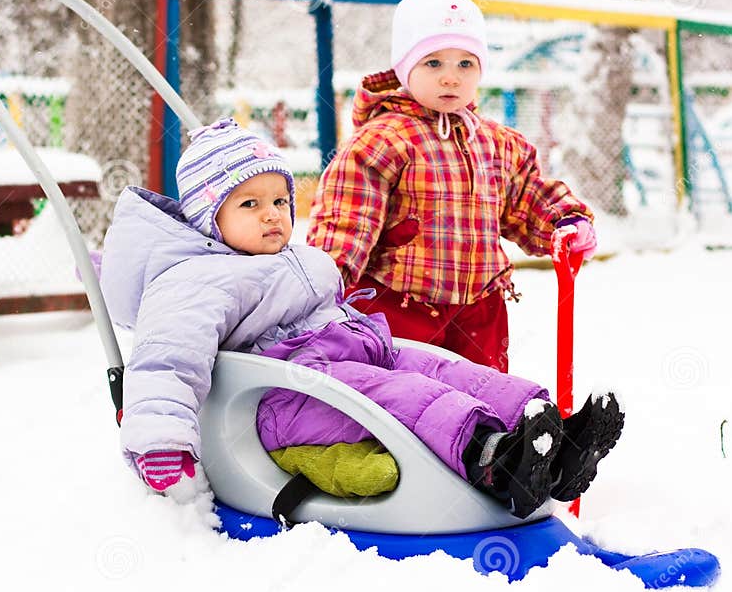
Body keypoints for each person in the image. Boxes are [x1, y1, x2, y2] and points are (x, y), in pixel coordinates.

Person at [99, 118, 623, 520]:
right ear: (209, 220)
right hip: (284, 398)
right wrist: (161, 441)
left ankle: (549, 437)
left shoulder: (285, 258)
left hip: (343, 356)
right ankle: (492, 456)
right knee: (402, 396)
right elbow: (166, 359)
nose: (272, 215)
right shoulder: (194, 279)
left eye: (280, 199)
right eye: (250, 204)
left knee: (443, 369)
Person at [307, 0, 596, 374]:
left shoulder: (496, 143)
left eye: (465, 64)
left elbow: (526, 196)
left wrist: (563, 222)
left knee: (486, 394)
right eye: (433, 63)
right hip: (401, 308)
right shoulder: (381, 141)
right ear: (404, 68)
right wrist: (321, 288)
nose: (450, 78)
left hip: (481, 312)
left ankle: (498, 434)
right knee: (414, 402)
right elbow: (347, 221)